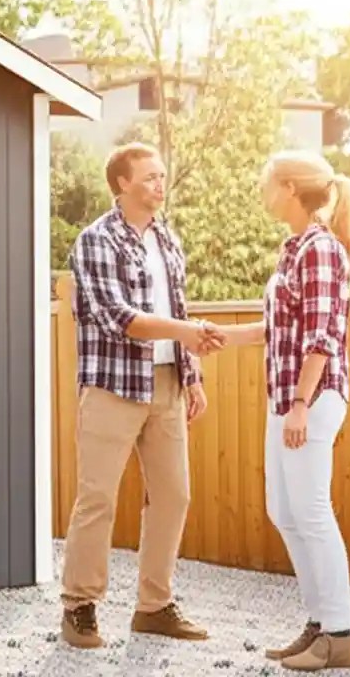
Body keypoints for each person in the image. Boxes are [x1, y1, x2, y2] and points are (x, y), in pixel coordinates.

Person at [59, 142, 223, 649]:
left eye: (161, 176)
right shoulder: (95, 240)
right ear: (122, 184)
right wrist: (188, 330)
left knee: (173, 495)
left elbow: (177, 304)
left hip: (168, 383)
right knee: (98, 498)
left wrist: (191, 373)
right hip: (113, 385)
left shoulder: (167, 240)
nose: (159, 183)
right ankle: (79, 607)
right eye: (149, 177)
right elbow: (118, 318)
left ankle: (154, 606)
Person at [210, 149, 350, 671]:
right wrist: (220, 336)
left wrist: (301, 403)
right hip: (288, 399)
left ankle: (338, 635)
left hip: (311, 399)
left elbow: (321, 336)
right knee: (285, 510)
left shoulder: (320, 250)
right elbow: (280, 329)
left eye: (267, 182)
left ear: (291, 189)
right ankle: (320, 622)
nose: (263, 190)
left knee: (312, 512)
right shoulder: (293, 249)